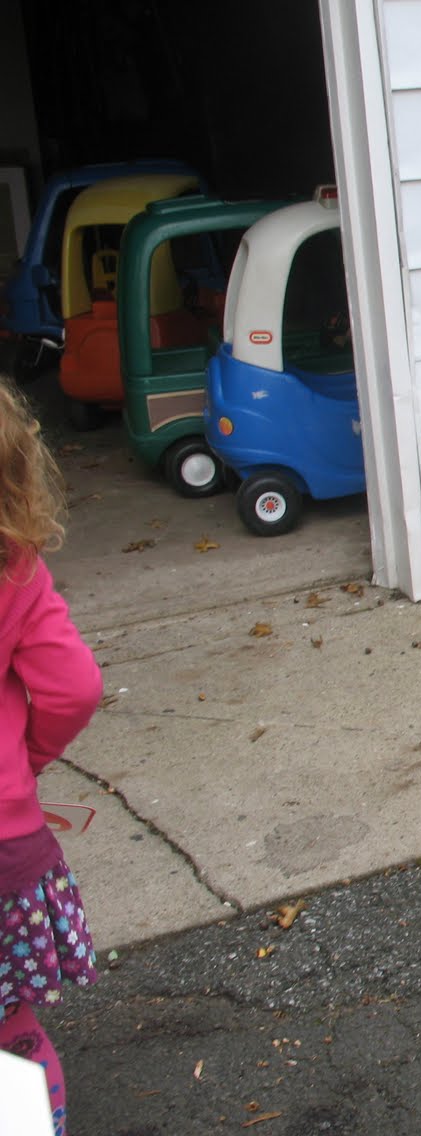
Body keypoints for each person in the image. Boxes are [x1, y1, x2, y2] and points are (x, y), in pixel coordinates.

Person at [0, 379, 103, 1136]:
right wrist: (24, 761)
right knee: (13, 1027)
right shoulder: (16, 570)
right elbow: (73, 687)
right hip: (7, 848)